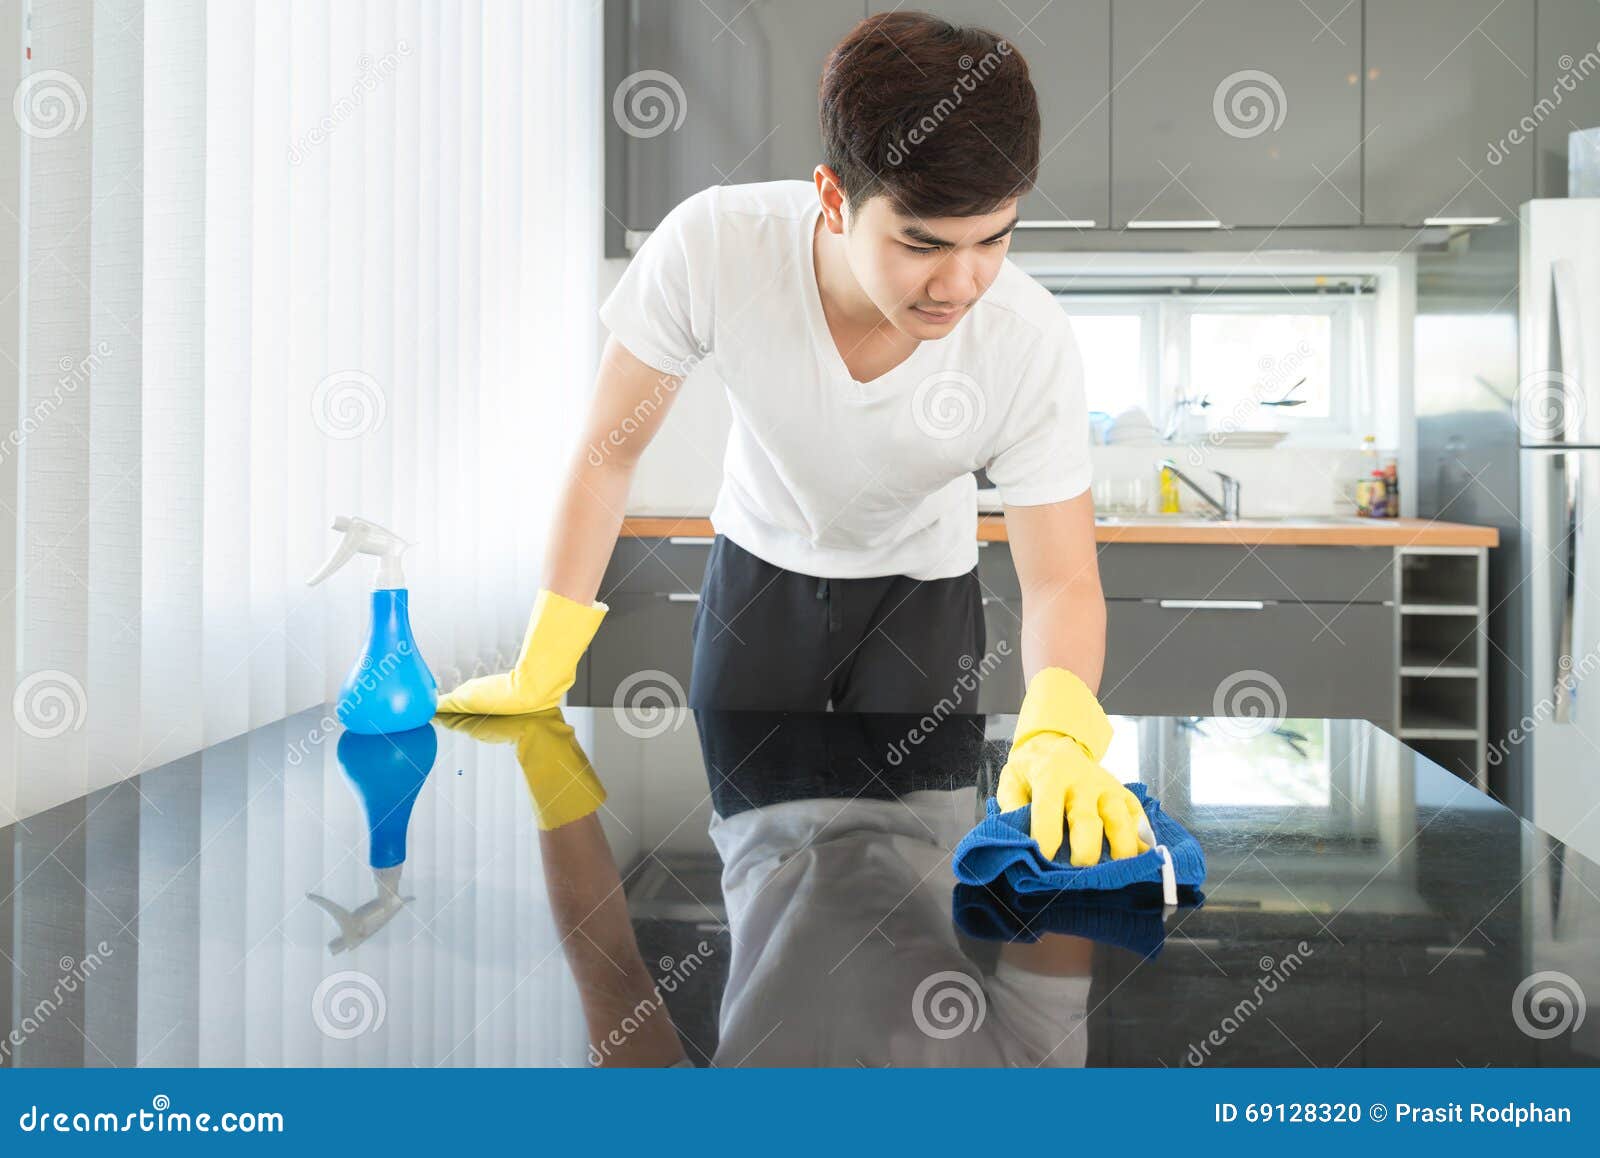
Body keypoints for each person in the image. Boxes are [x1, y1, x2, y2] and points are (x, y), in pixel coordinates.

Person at [436, 10, 1144, 867]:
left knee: (916, 865)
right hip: (757, 578)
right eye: (922, 242)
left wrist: (1060, 731)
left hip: (923, 594)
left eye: (993, 239)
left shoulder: (1026, 340)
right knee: (760, 855)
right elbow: (608, 452)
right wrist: (540, 665)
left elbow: (1063, 580)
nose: (961, 283)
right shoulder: (714, 249)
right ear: (834, 198)